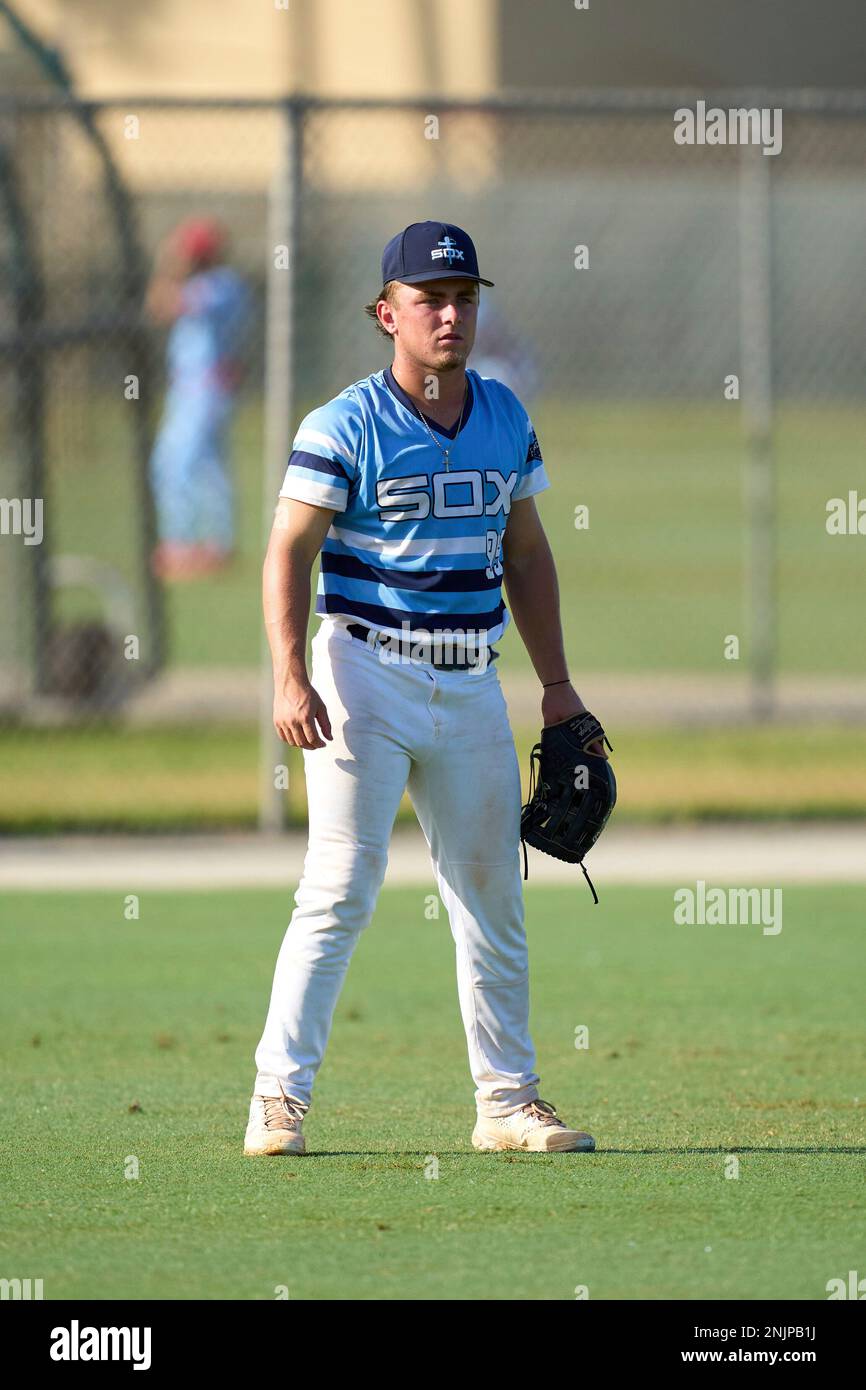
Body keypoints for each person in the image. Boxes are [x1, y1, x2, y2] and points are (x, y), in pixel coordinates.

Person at [245, 220, 608, 1157]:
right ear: (386, 313)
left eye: (464, 298)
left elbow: (525, 553)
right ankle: (278, 1099)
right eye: (429, 299)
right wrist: (290, 673)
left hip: (471, 680)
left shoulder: (503, 415)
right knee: (341, 885)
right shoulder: (343, 425)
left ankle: (507, 1103)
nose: (450, 314)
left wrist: (558, 686)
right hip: (364, 672)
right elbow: (289, 549)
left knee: (491, 892)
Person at [145, 216, 250, 580]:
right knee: (209, 466)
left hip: (203, 390)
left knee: (175, 463)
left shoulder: (219, 285)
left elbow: (162, 305)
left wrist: (168, 265)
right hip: (197, 389)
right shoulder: (218, 284)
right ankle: (217, 544)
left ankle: (181, 544)